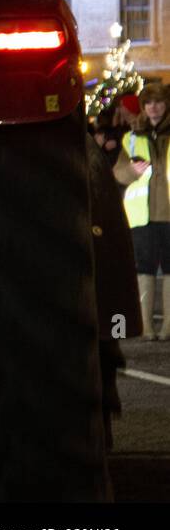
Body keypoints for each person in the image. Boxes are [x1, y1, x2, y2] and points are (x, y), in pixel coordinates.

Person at [114, 82, 170, 339]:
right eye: (148, 103)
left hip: (168, 214)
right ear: (144, 108)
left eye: (158, 102)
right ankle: (146, 326)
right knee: (144, 268)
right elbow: (118, 172)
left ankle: (168, 326)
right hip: (142, 216)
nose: (154, 108)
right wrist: (130, 171)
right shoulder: (132, 137)